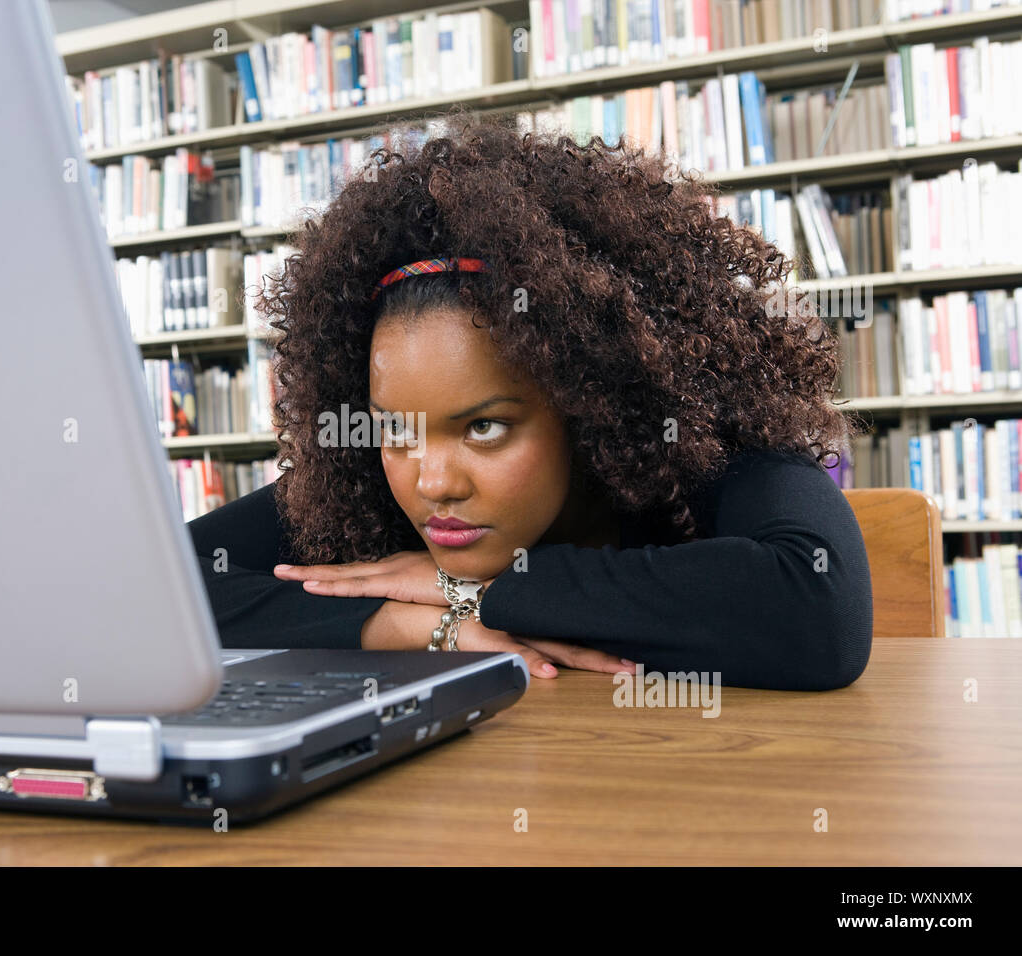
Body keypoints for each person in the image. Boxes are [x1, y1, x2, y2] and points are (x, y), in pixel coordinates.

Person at [187, 110, 872, 691]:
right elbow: (150, 590)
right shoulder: (363, 485)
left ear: (591, 402)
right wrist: (412, 623)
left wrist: (486, 589)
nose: (433, 482)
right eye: (396, 430)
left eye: (485, 426)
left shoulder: (702, 445)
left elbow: (818, 609)